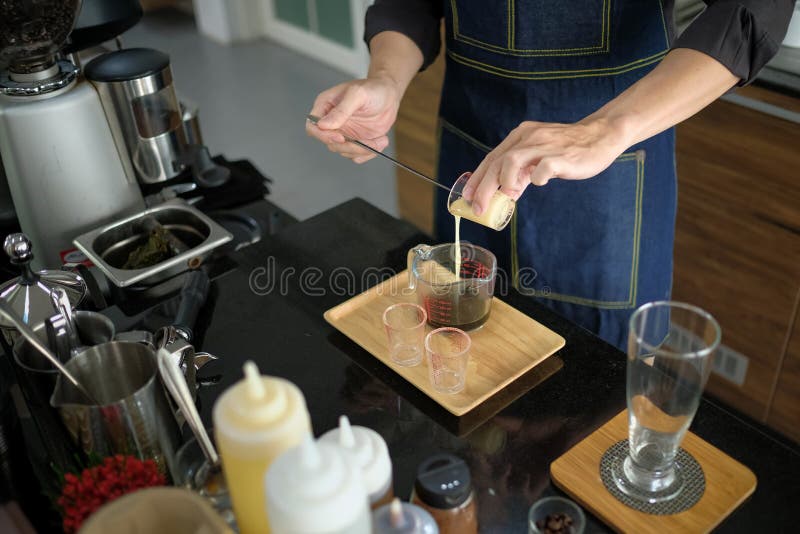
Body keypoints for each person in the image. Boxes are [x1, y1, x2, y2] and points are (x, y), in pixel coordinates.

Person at [306, 0, 793, 349]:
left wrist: (607, 128)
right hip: (473, 144)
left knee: (589, 381)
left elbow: (750, 10)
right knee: (460, 339)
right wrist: (385, 80)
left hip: (609, 162)